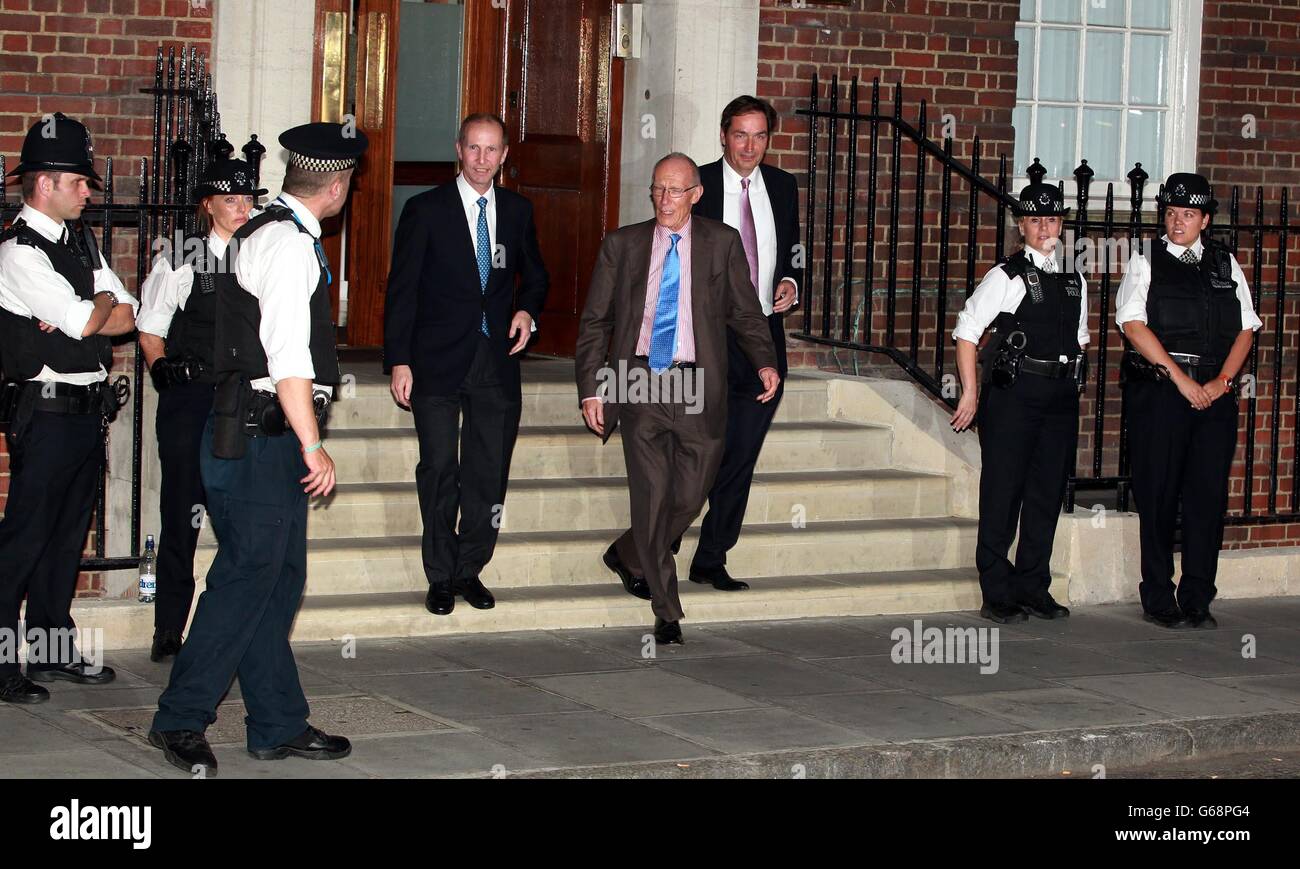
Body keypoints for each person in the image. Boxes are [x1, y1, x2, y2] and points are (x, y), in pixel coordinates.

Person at [148, 121, 367, 776]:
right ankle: (179, 717)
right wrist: (312, 443)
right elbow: (287, 354)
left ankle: (275, 722)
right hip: (261, 436)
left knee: (278, 580)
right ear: (338, 184)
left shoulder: (265, 231)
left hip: (245, 431)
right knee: (245, 579)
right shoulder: (289, 246)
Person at [575, 152, 779, 645]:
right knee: (651, 497)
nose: (665, 200)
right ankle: (666, 611)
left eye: (676, 190)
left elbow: (746, 313)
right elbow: (596, 323)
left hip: (696, 384)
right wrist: (592, 389)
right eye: (658, 190)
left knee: (690, 494)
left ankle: (628, 552)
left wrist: (765, 360)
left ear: (696, 194)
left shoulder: (721, 243)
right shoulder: (622, 245)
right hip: (639, 379)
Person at [384, 113, 548, 618]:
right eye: (473, 148)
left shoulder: (518, 211)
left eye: (491, 149)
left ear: (504, 156)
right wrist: (399, 360)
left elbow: (537, 277)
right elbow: (402, 290)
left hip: (494, 362)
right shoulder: (425, 210)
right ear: (459, 149)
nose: (482, 159)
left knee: (487, 471)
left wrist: (526, 311)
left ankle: (469, 569)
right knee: (439, 469)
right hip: (434, 361)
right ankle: (439, 573)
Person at [0, 114, 137, 704]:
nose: (88, 190)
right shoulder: (17, 251)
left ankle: (51, 647)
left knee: (66, 538)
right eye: (79, 181)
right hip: (46, 409)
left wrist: (92, 307)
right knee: (25, 538)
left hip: (86, 409)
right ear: (45, 182)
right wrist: (94, 304)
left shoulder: (78, 241)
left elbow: (130, 315)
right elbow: (92, 319)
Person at [1116, 172, 1260, 630]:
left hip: (1214, 392)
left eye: (1188, 215)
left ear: (1205, 220)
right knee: (1158, 493)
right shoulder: (1146, 260)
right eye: (1172, 213)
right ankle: (1158, 595)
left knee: (1206, 496)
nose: (1178, 223)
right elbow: (1133, 326)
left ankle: (1198, 596)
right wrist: (1180, 380)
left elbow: (1246, 328)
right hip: (1162, 390)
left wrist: (1222, 382)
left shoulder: (1224, 263)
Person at [137, 156, 265, 662]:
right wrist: (161, 366)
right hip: (191, 402)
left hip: (243, 401)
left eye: (247, 199)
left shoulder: (264, 255)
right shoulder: (182, 257)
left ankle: (227, 627)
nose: (240, 208)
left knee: (240, 520)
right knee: (181, 514)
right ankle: (169, 627)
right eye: (229, 199)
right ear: (207, 205)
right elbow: (150, 327)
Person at [950, 182, 1088, 624]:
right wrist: (971, 392)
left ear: (1061, 225)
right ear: (1021, 226)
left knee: (1046, 495)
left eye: (1051, 219)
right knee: (1003, 494)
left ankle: (1033, 587)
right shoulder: (1005, 275)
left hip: (1059, 397)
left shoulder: (1074, 278)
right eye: (1034, 220)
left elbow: (1081, 339)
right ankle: (997, 591)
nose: (1043, 227)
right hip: (1014, 397)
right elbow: (968, 331)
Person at [685, 95, 800, 592]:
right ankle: (646, 546)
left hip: (762, 340)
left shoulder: (782, 185)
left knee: (741, 454)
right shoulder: (697, 184)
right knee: (695, 455)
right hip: (706, 340)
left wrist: (793, 281)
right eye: (740, 135)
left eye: (760, 136)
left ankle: (711, 556)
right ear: (722, 135)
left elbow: (791, 247)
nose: (750, 146)